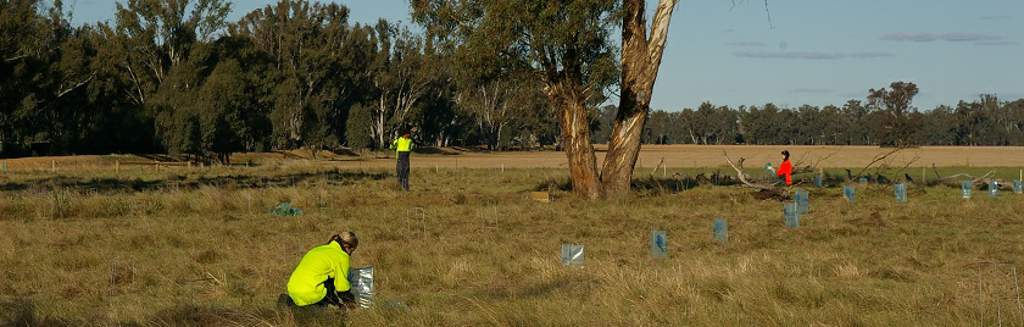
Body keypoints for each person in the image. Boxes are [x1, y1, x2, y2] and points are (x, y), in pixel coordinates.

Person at [284, 232, 359, 308]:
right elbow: (341, 287)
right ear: (347, 246)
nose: (350, 254)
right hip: (311, 293)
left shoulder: (317, 249)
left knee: (327, 277)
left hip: (292, 291)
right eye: (352, 251)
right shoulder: (341, 256)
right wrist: (351, 304)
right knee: (338, 310)